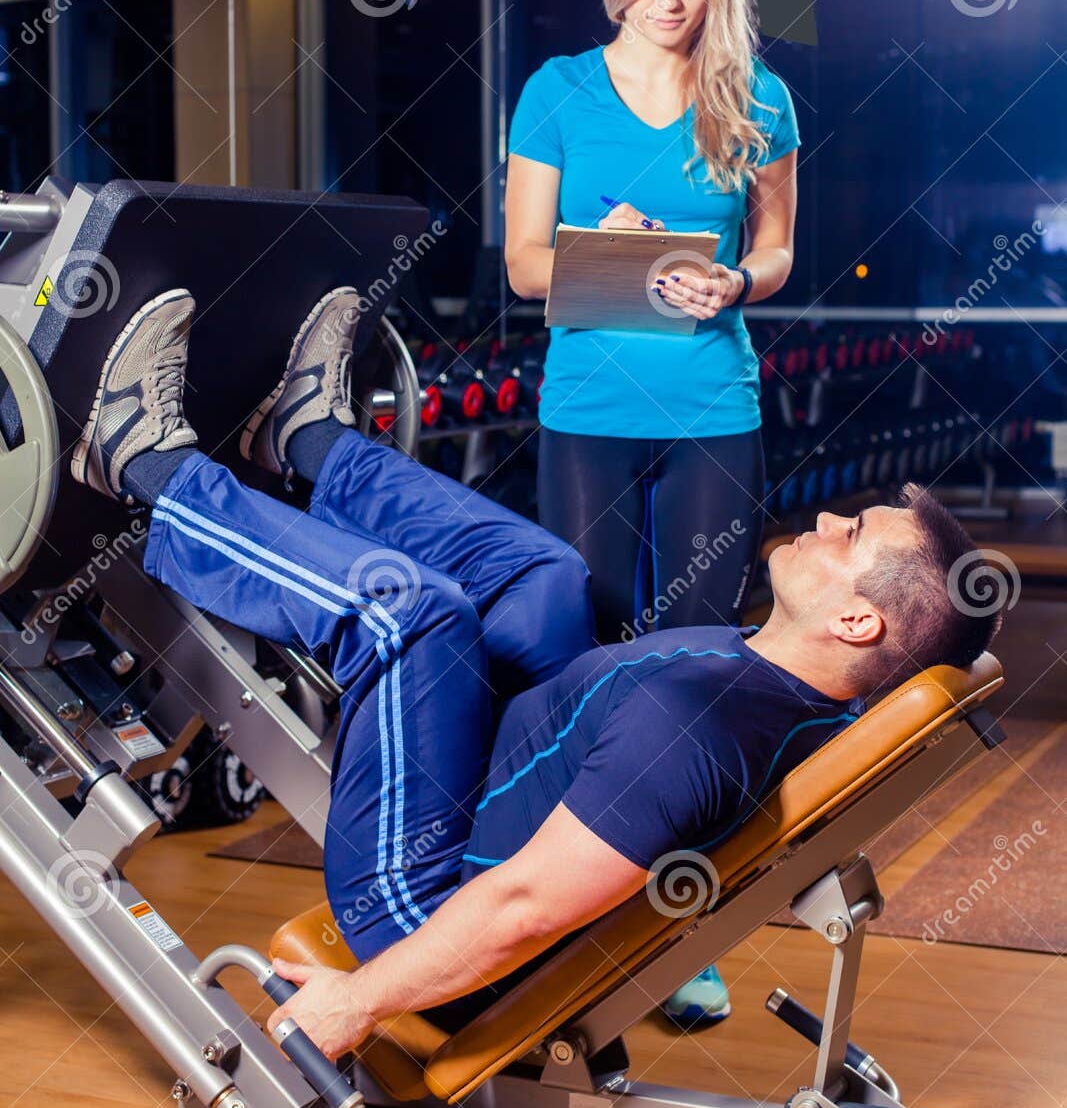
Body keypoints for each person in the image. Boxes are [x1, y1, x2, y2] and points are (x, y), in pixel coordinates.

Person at [72, 288, 1003, 1064]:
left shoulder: (699, 731)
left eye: (854, 538)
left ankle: (146, 465)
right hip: (496, 782)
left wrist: (355, 1004)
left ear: (856, 622)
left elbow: (520, 911)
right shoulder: (791, 685)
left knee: (415, 613)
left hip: (417, 894)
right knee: (547, 576)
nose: (832, 521)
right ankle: (307, 445)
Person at [505, 0, 801, 1024]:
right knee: (582, 650)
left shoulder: (758, 100)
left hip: (711, 409)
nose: (669, 0)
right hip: (586, 405)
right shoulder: (557, 93)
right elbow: (528, 267)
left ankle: (681, 929)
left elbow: (777, 252)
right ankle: (563, 903)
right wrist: (595, 241)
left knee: (693, 662)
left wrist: (738, 277)